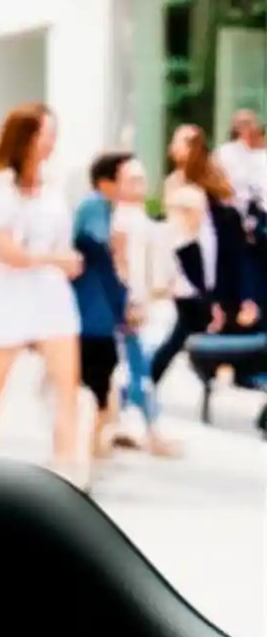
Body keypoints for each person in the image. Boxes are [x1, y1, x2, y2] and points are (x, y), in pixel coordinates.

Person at [0, 104, 86, 486]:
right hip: (6, 294)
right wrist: (54, 259)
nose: (49, 143)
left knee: (66, 381)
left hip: (50, 294)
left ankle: (67, 459)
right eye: (43, 134)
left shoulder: (53, 186)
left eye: (52, 134)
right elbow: (6, 252)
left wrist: (63, 261)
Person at [151, 124, 260, 387]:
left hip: (214, 267)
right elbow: (180, 236)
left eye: (180, 142)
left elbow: (231, 242)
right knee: (187, 328)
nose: (173, 148)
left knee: (193, 328)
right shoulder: (175, 184)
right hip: (190, 270)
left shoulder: (214, 187)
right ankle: (150, 379)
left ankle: (155, 378)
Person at [109, 157, 180, 456]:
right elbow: (120, 262)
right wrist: (130, 300)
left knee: (136, 368)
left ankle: (133, 426)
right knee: (137, 368)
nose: (140, 185)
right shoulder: (121, 218)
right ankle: (148, 430)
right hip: (129, 304)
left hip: (141, 300)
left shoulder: (136, 215)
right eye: (132, 179)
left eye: (142, 179)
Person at [71, 153, 133, 461]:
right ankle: (87, 449)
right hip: (91, 313)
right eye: (126, 178)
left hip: (98, 312)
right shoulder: (95, 207)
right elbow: (100, 249)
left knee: (100, 379)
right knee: (94, 381)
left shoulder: (105, 209)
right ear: (107, 182)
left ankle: (93, 446)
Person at [215, 110, 267, 220]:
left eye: (249, 123)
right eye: (242, 124)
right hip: (233, 214)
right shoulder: (224, 153)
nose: (246, 128)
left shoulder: (262, 154)